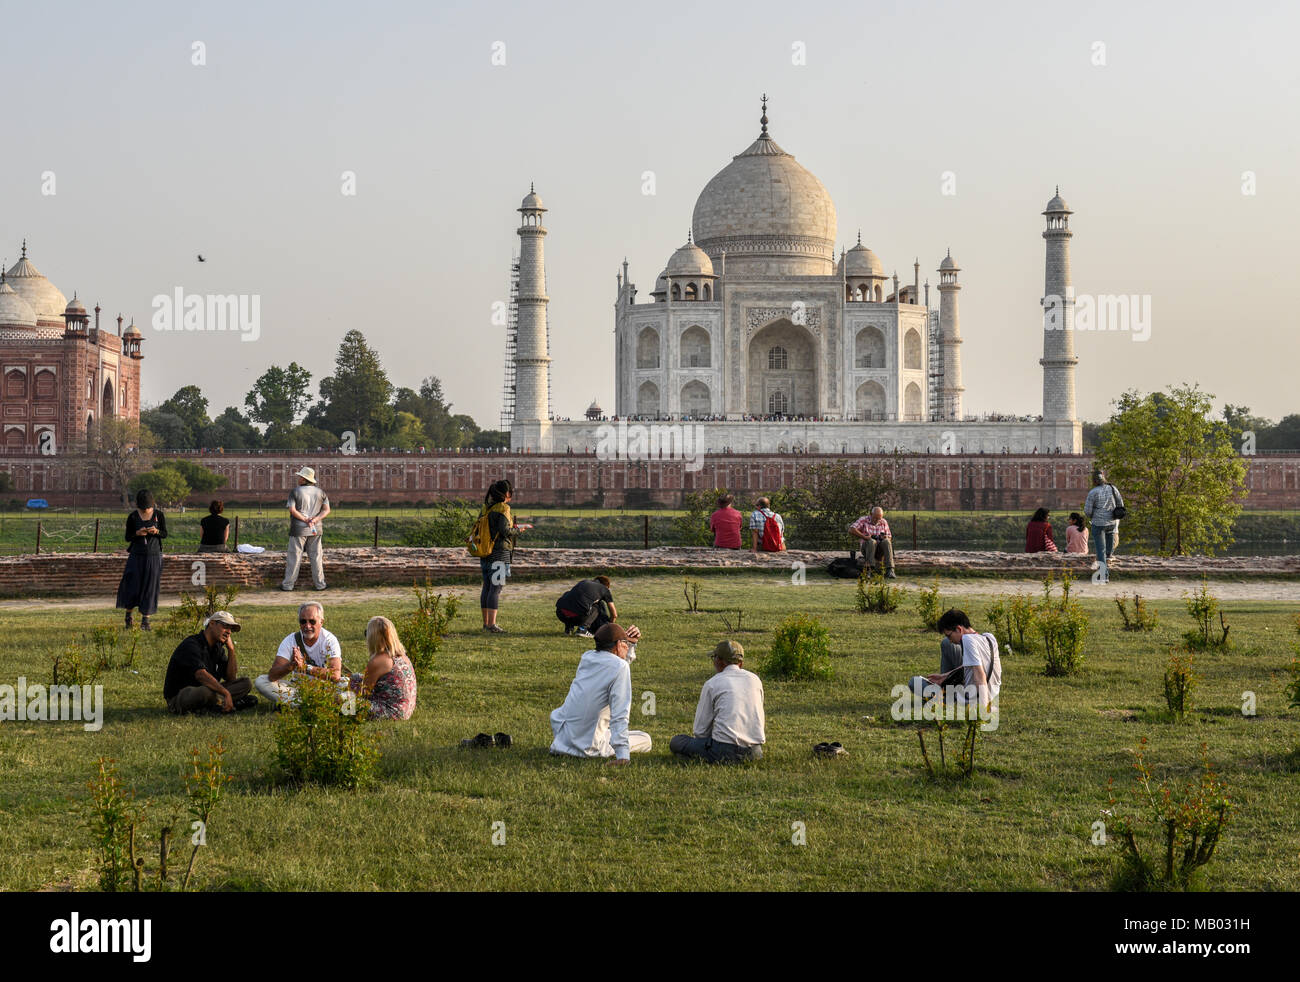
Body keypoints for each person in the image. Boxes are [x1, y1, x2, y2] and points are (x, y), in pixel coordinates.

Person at [549, 623, 651, 763]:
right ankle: (613, 748)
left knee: (606, 729)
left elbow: (615, 665)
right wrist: (623, 755)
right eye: (625, 643)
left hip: (563, 741)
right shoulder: (620, 667)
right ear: (618, 644)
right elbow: (620, 714)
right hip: (588, 747)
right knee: (645, 739)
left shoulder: (587, 657)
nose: (628, 647)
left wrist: (630, 644)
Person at [669, 640, 765, 763]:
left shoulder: (713, 683)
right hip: (755, 752)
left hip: (723, 750)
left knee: (677, 741)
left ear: (719, 661)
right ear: (740, 664)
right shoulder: (755, 680)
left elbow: (701, 731)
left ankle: (695, 757)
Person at [907, 608, 1001, 713]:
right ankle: (942, 692)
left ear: (959, 629)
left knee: (914, 682)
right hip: (990, 693)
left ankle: (941, 699)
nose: (950, 640)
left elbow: (979, 675)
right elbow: (980, 666)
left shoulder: (967, 640)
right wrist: (945, 676)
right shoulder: (989, 637)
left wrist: (984, 709)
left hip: (970, 697)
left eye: (949, 635)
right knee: (946, 645)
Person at [163, 611, 255, 714]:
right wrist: (226, 693)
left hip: (210, 691)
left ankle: (216, 705)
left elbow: (231, 678)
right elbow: (201, 675)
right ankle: (226, 703)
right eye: (225, 626)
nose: (229, 632)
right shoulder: (191, 644)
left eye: (231, 629)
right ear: (212, 623)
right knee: (205, 692)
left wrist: (231, 650)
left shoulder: (217, 648)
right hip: (181, 696)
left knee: (246, 683)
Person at [253, 602, 343, 706]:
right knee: (261, 681)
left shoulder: (329, 640)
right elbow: (273, 675)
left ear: (321, 622)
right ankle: (311, 704)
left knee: (345, 685)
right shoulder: (291, 640)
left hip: (324, 688)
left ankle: (293, 703)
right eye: (303, 621)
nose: (307, 626)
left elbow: (335, 675)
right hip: (298, 687)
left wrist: (305, 668)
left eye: (312, 621)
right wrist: (291, 665)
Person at [116, 488, 167, 631]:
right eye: (143, 508)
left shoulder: (159, 515)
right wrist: (137, 533)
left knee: (150, 588)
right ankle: (128, 616)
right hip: (136, 555)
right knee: (132, 585)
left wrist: (156, 531)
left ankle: (145, 620)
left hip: (154, 555)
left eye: (148, 508)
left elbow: (164, 534)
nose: (146, 510)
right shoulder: (133, 517)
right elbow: (127, 537)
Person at [349, 616, 417, 721]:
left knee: (344, 699)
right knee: (355, 678)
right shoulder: (403, 657)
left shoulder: (378, 661)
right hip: (406, 709)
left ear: (372, 637)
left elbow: (364, 693)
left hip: (391, 712)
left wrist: (349, 689)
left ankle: (344, 715)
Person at [475, 479, 520, 633]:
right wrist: (518, 530)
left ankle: (486, 623)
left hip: (485, 553)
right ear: (507, 494)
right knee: (496, 589)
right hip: (500, 555)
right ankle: (492, 625)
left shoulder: (486, 508)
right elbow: (505, 531)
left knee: (487, 588)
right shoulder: (503, 508)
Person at [282, 466, 330, 591]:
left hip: (299, 529)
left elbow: (292, 510)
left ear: (304, 479)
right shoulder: (321, 492)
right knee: (316, 557)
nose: (298, 478)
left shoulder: (295, 492)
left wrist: (305, 519)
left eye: (300, 476)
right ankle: (320, 584)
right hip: (316, 528)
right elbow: (326, 510)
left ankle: (288, 585)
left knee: (294, 557)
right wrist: (315, 519)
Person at [1084, 469, 1123, 579]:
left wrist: (1094, 515)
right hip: (1111, 522)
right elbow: (1120, 504)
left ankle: (1103, 576)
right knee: (1108, 551)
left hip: (1098, 524)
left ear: (1094, 481)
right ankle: (1108, 562)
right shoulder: (1113, 488)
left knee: (1101, 550)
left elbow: (1087, 511)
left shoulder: (1093, 492)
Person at [848, 506, 896, 578]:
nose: (877, 520)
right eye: (875, 518)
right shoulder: (863, 520)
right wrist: (864, 537)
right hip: (867, 548)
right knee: (871, 541)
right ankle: (869, 570)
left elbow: (889, 536)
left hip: (879, 550)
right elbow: (851, 530)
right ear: (871, 514)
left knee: (887, 541)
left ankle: (890, 570)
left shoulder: (883, 521)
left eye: (879, 518)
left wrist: (885, 537)